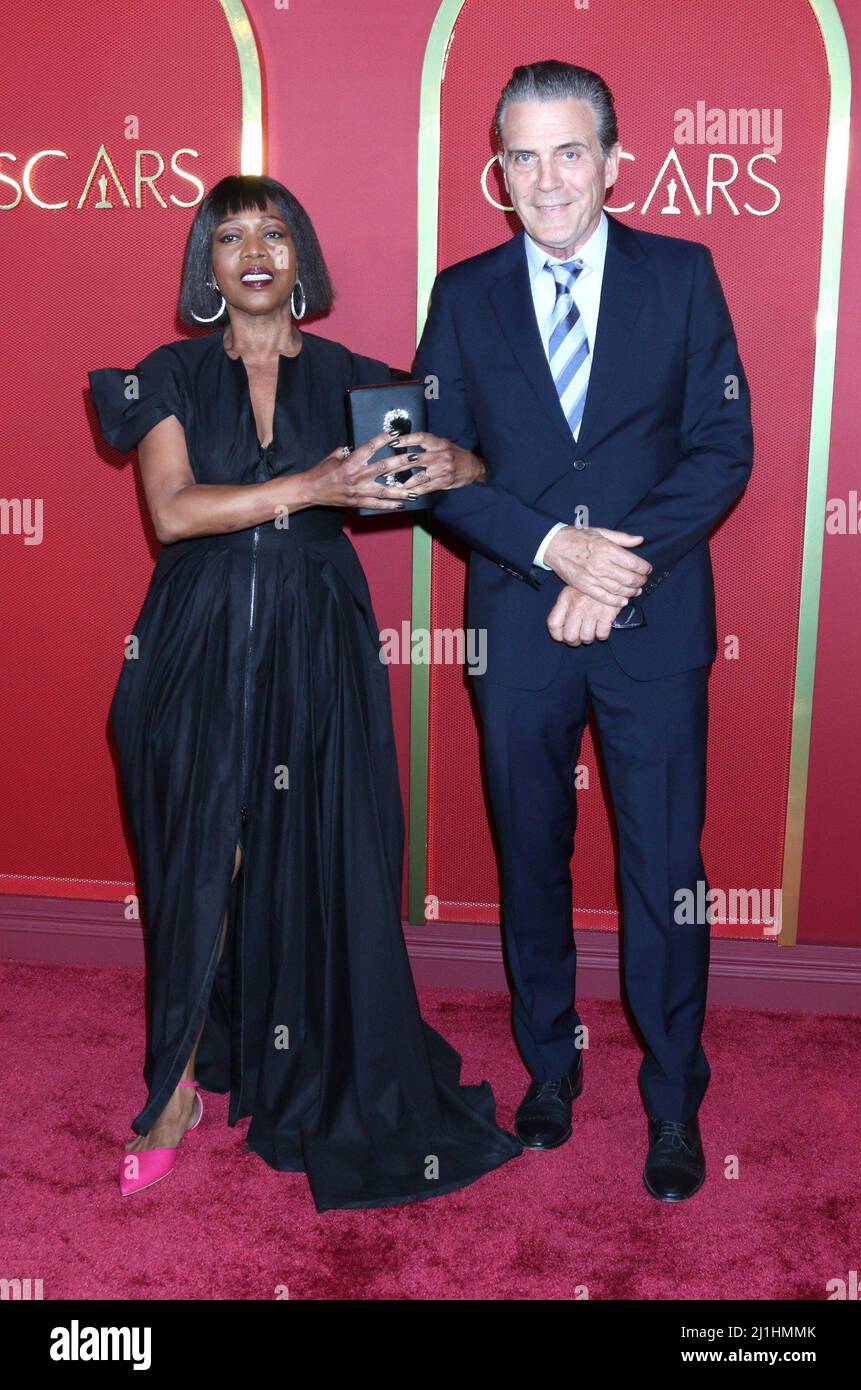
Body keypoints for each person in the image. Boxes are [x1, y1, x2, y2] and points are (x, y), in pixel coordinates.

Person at [88, 174, 522, 1212]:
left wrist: (445, 460)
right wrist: (314, 488)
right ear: (207, 267)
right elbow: (176, 511)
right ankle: (174, 1093)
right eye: (228, 235)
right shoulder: (170, 374)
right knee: (200, 859)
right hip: (193, 651)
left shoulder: (357, 377)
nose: (251, 249)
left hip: (316, 647)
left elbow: (468, 457)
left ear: (299, 257)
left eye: (270, 232)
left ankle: (303, 1065)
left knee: (318, 855)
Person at [410, 61, 753, 1201]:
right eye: (522, 156)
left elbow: (719, 451)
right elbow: (433, 470)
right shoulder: (462, 295)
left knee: (662, 870)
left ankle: (671, 1102)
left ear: (613, 161)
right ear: (495, 172)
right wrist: (551, 549)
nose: (546, 178)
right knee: (530, 857)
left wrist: (615, 565)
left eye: (568, 152)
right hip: (517, 616)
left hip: (650, 622)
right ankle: (547, 1068)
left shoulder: (683, 275)